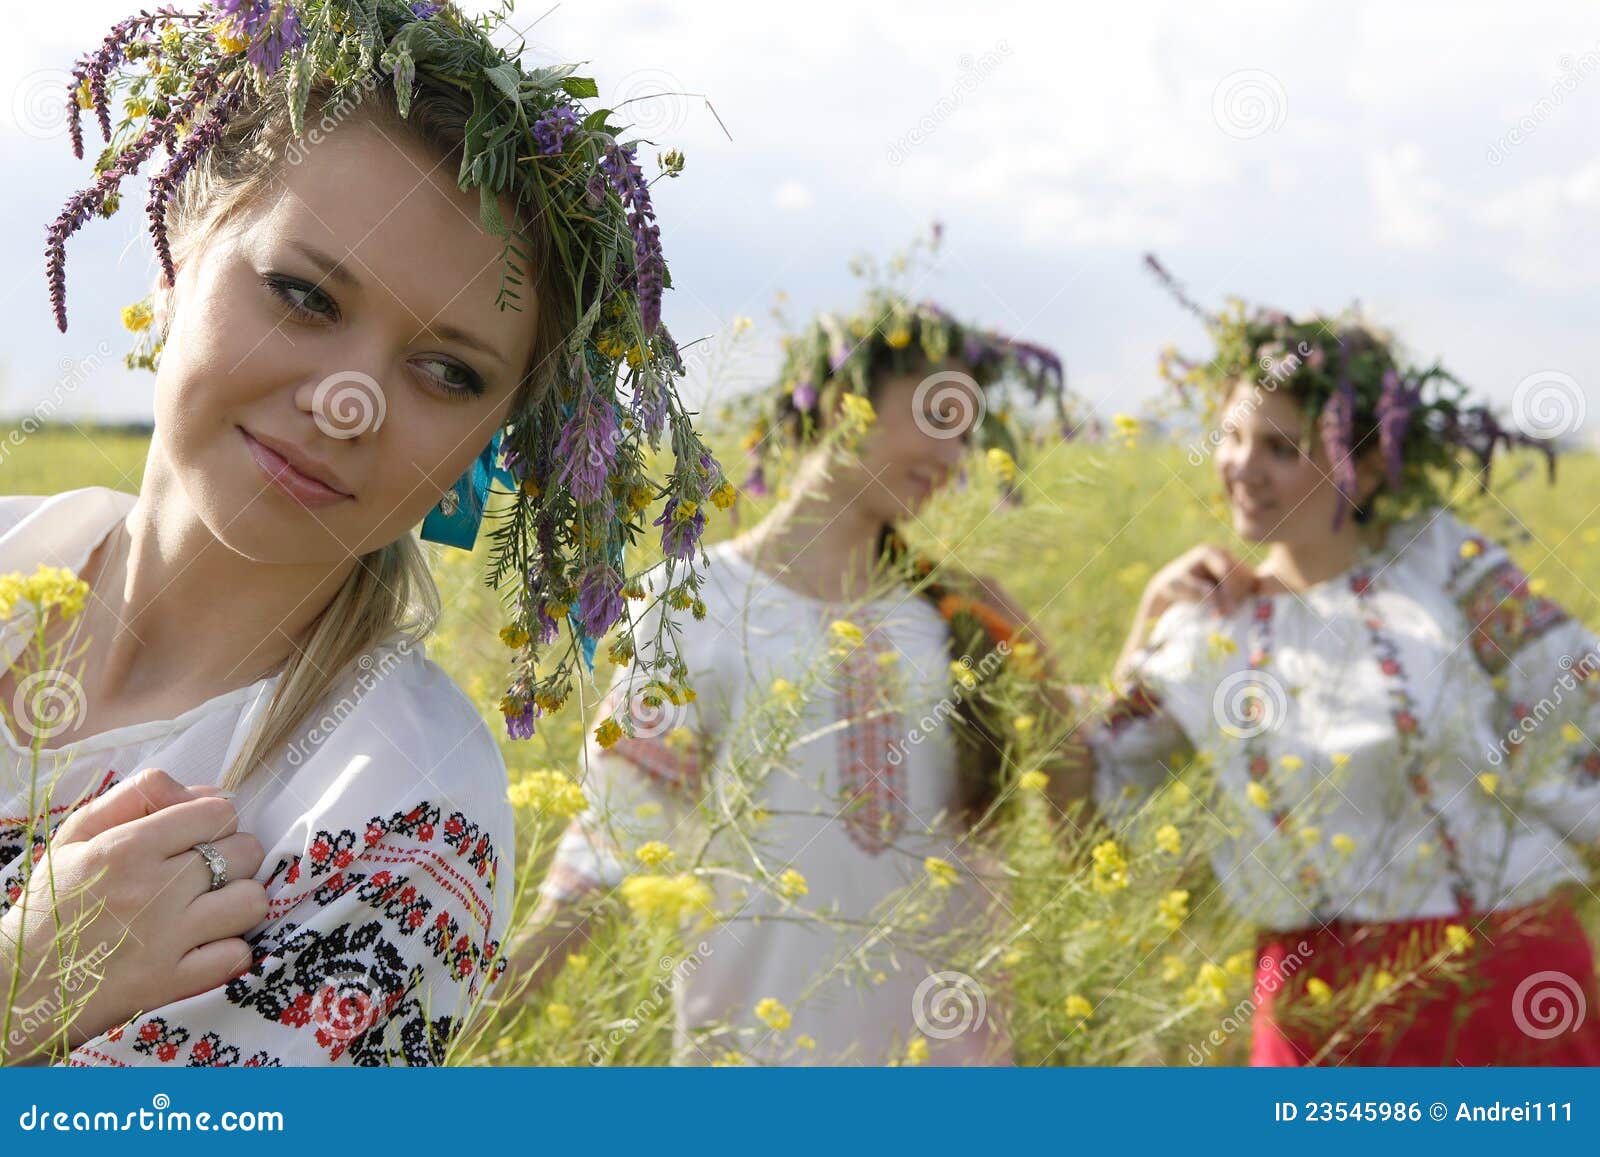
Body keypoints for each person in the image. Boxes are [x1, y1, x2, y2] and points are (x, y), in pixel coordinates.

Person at [1, 0, 716, 1066]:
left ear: (488, 447)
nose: (347, 400)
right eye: (303, 293)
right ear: (176, 256)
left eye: (448, 371)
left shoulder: (402, 817)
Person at [510, 257, 1090, 1065]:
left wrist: (1039, 661)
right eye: (937, 415)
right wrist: (489, 1006)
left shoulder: (951, 614)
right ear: (846, 406)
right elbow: (612, 842)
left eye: (967, 431)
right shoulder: (694, 602)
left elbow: (1072, 819)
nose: (956, 455)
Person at [1088, 261, 1600, 1065]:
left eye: (1280, 446)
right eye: (1230, 436)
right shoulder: (1209, 625)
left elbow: (1577, 696)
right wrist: (1145, 615)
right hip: (1314, 1000)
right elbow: (1093, 778)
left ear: (1353, 460)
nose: (1242, 467)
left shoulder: (1445, 565)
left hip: (1503, 979)